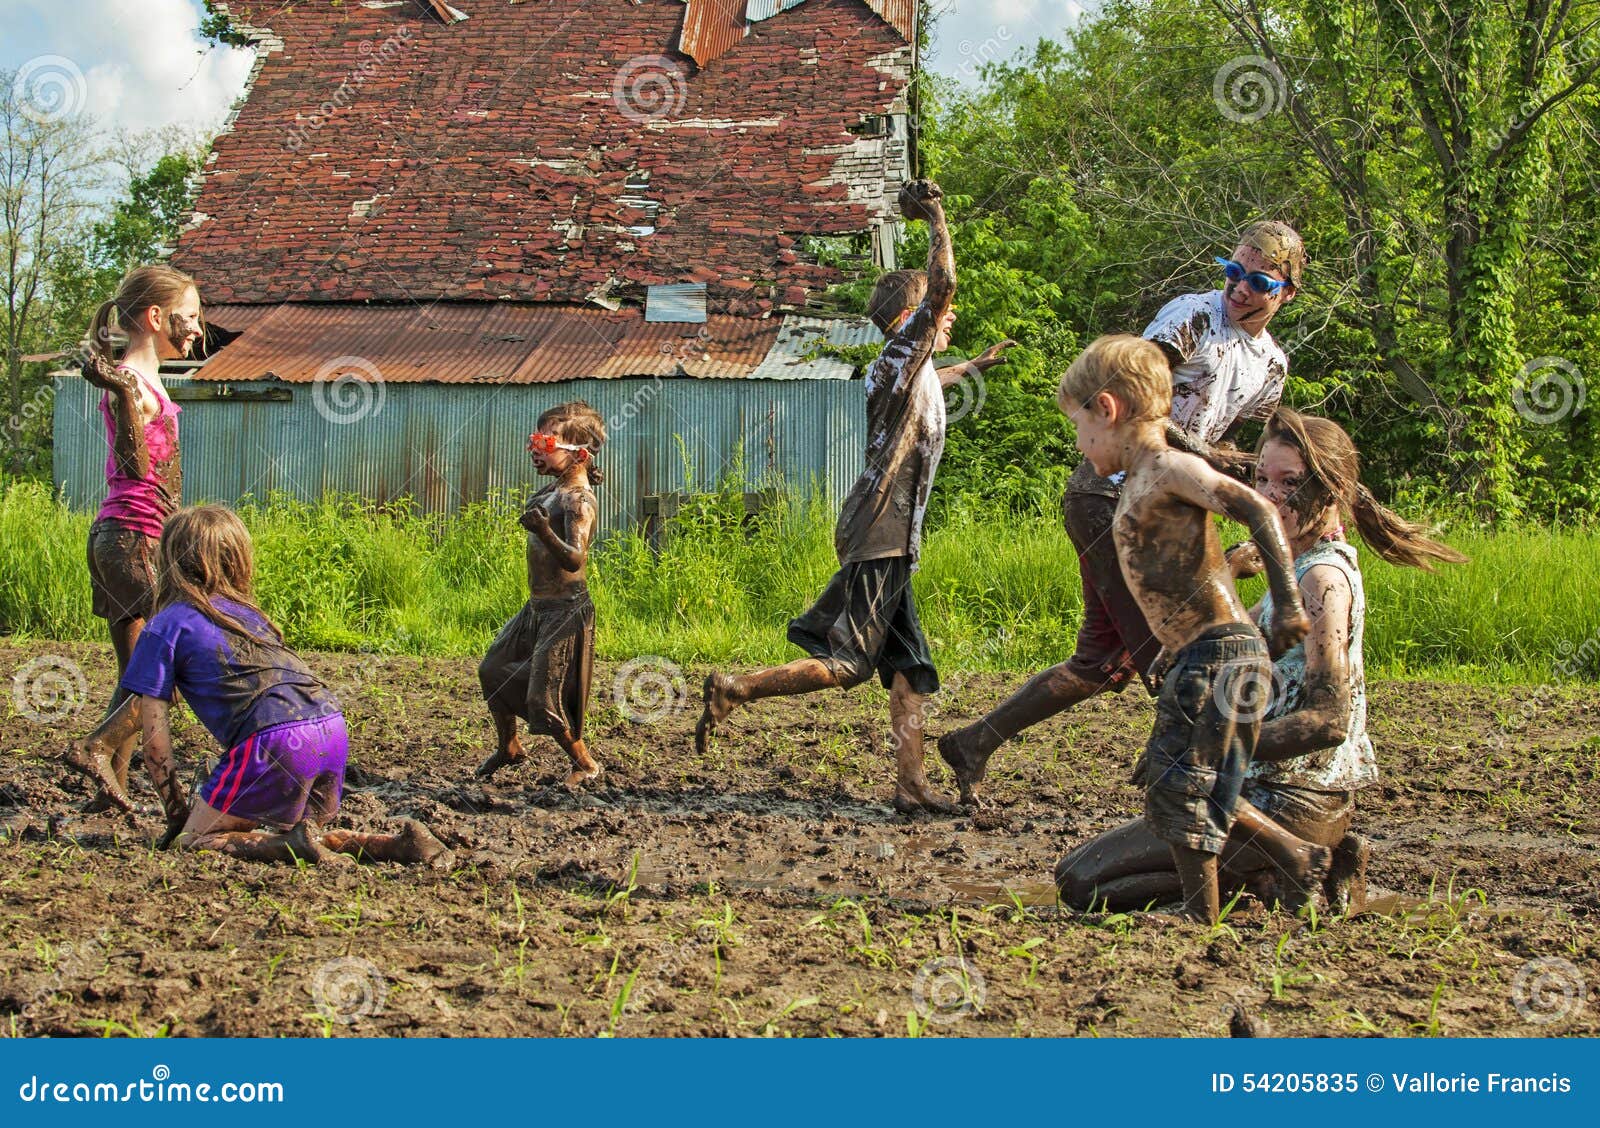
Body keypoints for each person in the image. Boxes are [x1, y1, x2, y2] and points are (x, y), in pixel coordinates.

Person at [939, 222, 1306, 805]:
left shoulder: (1272, 365)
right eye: (1233, 272)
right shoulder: (1192, 318)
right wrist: (1206, 463)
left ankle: (973, 741)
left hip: (1169, 498)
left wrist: (1246, 488)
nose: (1239, 288)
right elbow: (1136, 403)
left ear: (1286, 293)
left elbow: (1232, 445)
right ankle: (1187, 781)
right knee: (1177, 650)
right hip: (1112, 493)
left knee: (1103, 661)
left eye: (1258, 282)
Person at [1058, 408, 1464, 914]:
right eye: (1263, 480)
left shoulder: (1322, 581)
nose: (1270, 496)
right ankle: (1272, 875)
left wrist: (1213, 750)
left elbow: (1329, 719)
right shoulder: (1296, 564)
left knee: (1083, 884)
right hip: (1258, 795)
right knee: (1081, 875)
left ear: (1332, 491)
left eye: (1289, 483)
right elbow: (1235, 642)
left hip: (1292, 799)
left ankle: (1281, 868)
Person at [693, 178, 1011, 815]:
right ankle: (736, 688)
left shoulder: (903, 365)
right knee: (850, 664)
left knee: (911, 670)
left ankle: (911, 785)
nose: (949, 316)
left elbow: (932, 380)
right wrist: (935, 215)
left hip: (889, 534)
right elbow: (944, 285)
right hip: (881, 532)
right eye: (937, 312)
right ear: (911, 317)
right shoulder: (902, 350)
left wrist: (973, 367)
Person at [1051, 335, 1319, 923]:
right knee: (1184, 782)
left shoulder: (1170, 468)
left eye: (1079, 427)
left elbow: (1257, 508)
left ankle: (1203, 914)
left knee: (1184, 786)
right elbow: (1189, 573)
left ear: (1106, 409)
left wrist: (1287, 603)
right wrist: (1173, 647)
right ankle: (1295, 856)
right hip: (1199, 653)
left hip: (1220, 652)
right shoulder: (1140, 479)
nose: (1080, 443)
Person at [80, 505, 449, 865]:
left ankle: (293, 846)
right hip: (331, 728)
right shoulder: (251, 615)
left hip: (274, 741)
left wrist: (177, 814)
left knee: (196, 840)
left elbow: (155, 741)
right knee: (296, 832)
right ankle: (395, 845)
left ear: (169, 561)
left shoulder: (166, 625)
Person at [64, 266, 202, 807]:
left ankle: (111, 789)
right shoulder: (132, 383)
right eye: (190, 317)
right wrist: (123, 393)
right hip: (135, 540)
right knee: (176, 667)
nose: (197, 329)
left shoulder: (141, 382)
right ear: (156, 317)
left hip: (115, 539)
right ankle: (94, 749)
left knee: (135, 676)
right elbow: (133, 466)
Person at [476, 402, 605, 788]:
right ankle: (509, 746)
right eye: (534, 440)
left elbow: (575, 559)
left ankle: (585, 763)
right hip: (536, 608)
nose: (535, 449)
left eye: (546, 443)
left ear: (579, 453)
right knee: (492, 671)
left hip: (565, 611)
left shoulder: (579, 500)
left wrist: (545, 531)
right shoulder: (550, 492)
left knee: (543, 698)